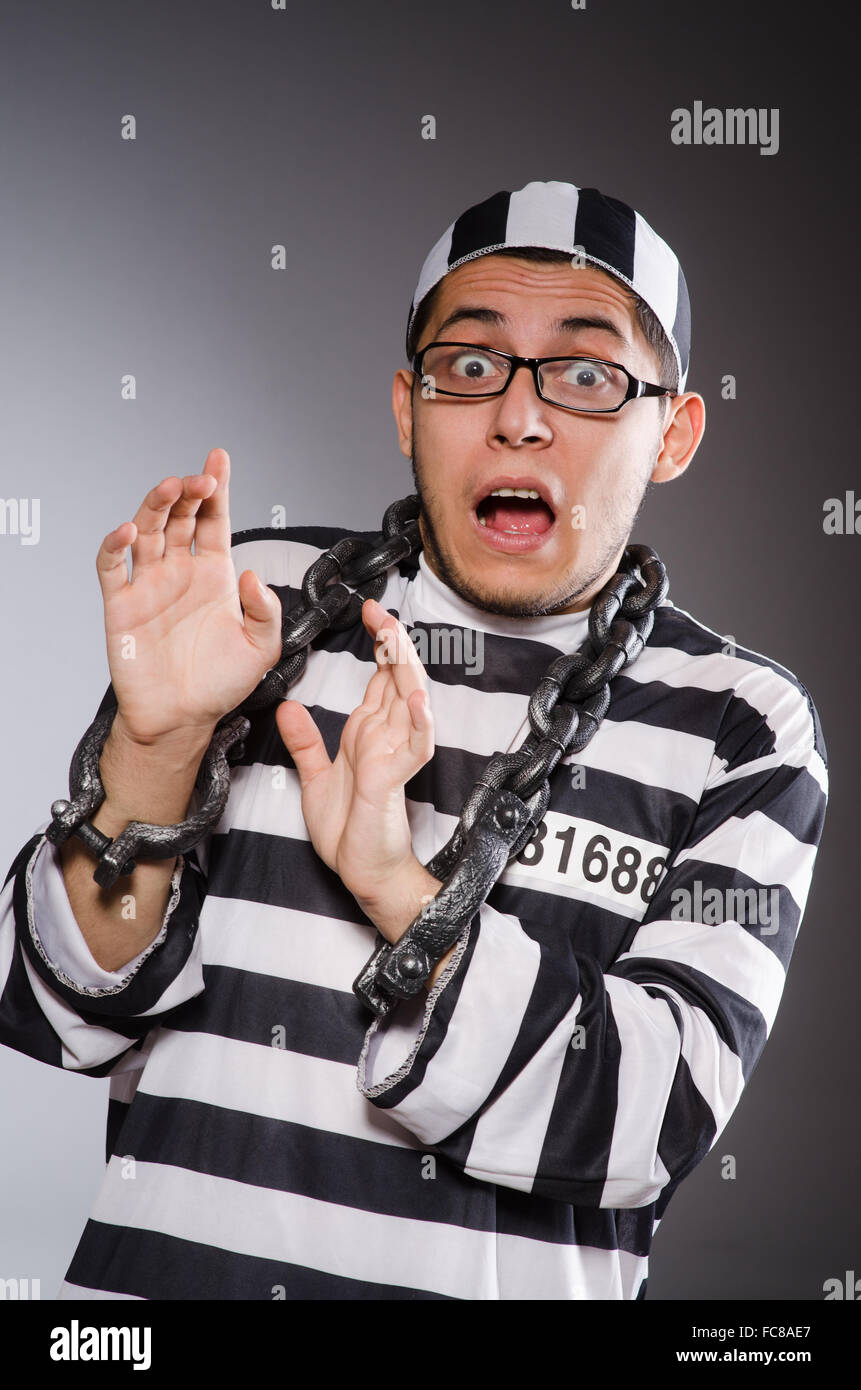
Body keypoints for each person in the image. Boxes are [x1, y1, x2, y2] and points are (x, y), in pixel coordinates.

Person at [0, 180, 827, 1300]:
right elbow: (56, 1008)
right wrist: (158, 744)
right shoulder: (261, 605)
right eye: (471, 365)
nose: (519, 417)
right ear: (408, 406)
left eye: (587, 375)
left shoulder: (741, 724)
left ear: (672, 432)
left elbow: (646, 1128)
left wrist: (398, 887)